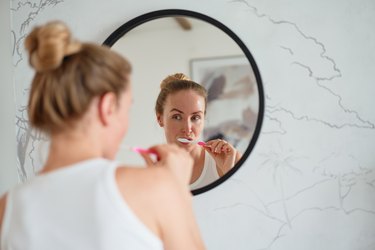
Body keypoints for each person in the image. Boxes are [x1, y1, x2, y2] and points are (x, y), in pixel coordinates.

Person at [0, 21, 205, 250]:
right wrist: (176, 191)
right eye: (127, 109)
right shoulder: (152, 187)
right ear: (107, 107)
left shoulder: (9, 207)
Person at [155, 73, 241, 190]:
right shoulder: (151, 175)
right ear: (160, 119)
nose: (187, 128)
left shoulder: (231, 161)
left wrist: (229, 174)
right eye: (177, 117)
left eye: (195, 117)